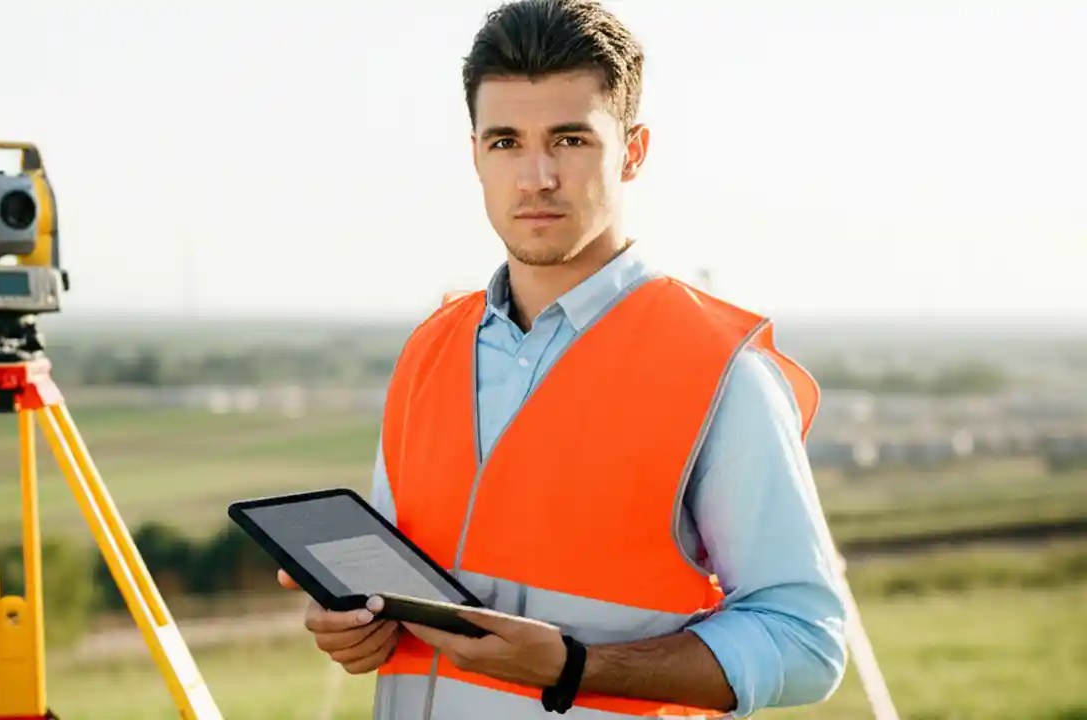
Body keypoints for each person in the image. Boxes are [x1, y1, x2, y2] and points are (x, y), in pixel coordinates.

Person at [277, 0, 848, 717]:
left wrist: (578, 667)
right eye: (506, 141)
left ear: (633, 153)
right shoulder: (429, 349)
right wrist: (361, 627)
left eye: (571, 140)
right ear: (476, 152)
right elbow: (406, 603)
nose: (535, 176)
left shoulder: (718, 371)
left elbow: (806, 643)